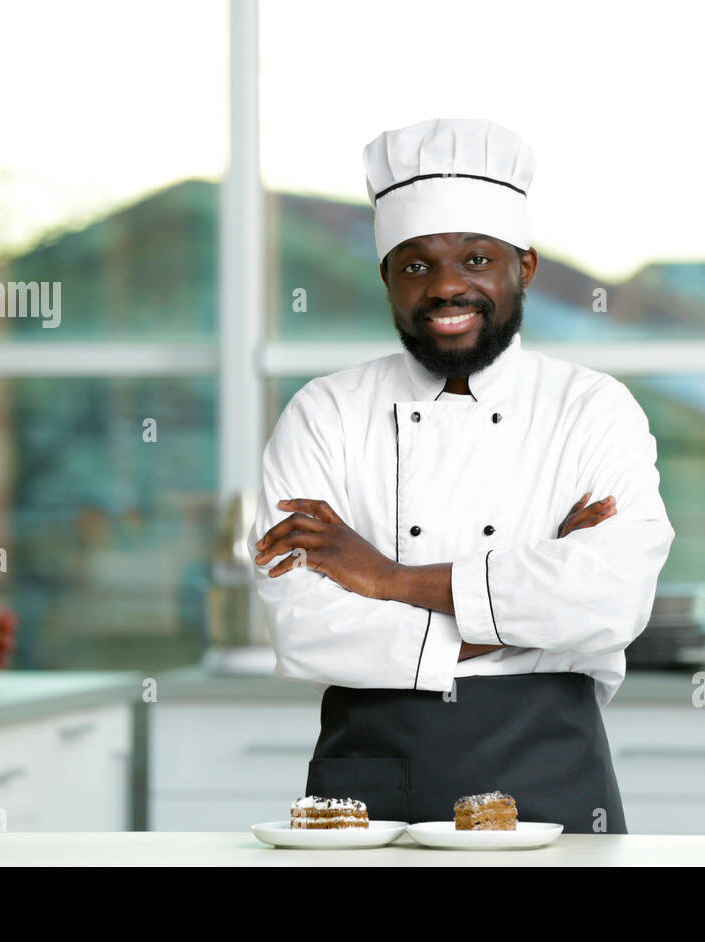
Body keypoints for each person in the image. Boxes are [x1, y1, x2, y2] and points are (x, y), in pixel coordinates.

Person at [247, 117, 674, 834]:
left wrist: (386, 579)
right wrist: (531, 602)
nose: (447, 287)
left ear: (524, 268)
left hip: (554, 774)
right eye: (415, 265)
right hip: (371, 783)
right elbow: (303, 628)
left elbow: (610, 603)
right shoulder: (325, 412)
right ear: (387, 276)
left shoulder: (591, 408)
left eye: (476, 259)